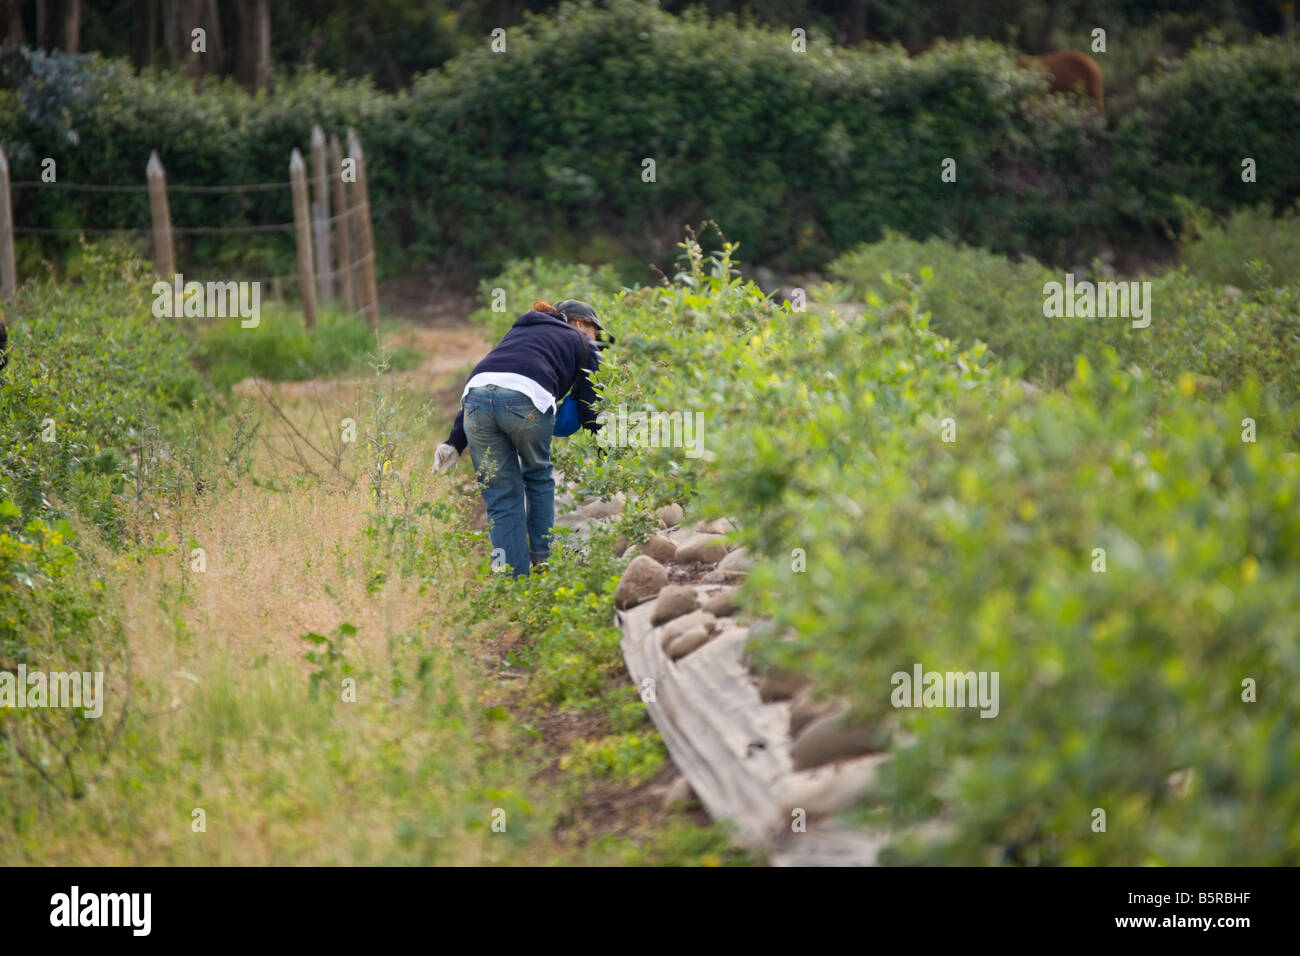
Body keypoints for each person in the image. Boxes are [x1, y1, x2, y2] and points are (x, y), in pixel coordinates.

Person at [433, 298, 611, 577]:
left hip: (475, 403)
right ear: (580, 323)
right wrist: (609, 446)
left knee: (501, 495)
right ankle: (544, 564)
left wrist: (454, 443)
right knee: (537, 476)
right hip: (526, 400)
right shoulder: (582, 342)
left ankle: (511, 581)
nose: (597, 341)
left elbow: (487, 379)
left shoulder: (519, 332)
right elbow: (591, 410)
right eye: (595, 332)